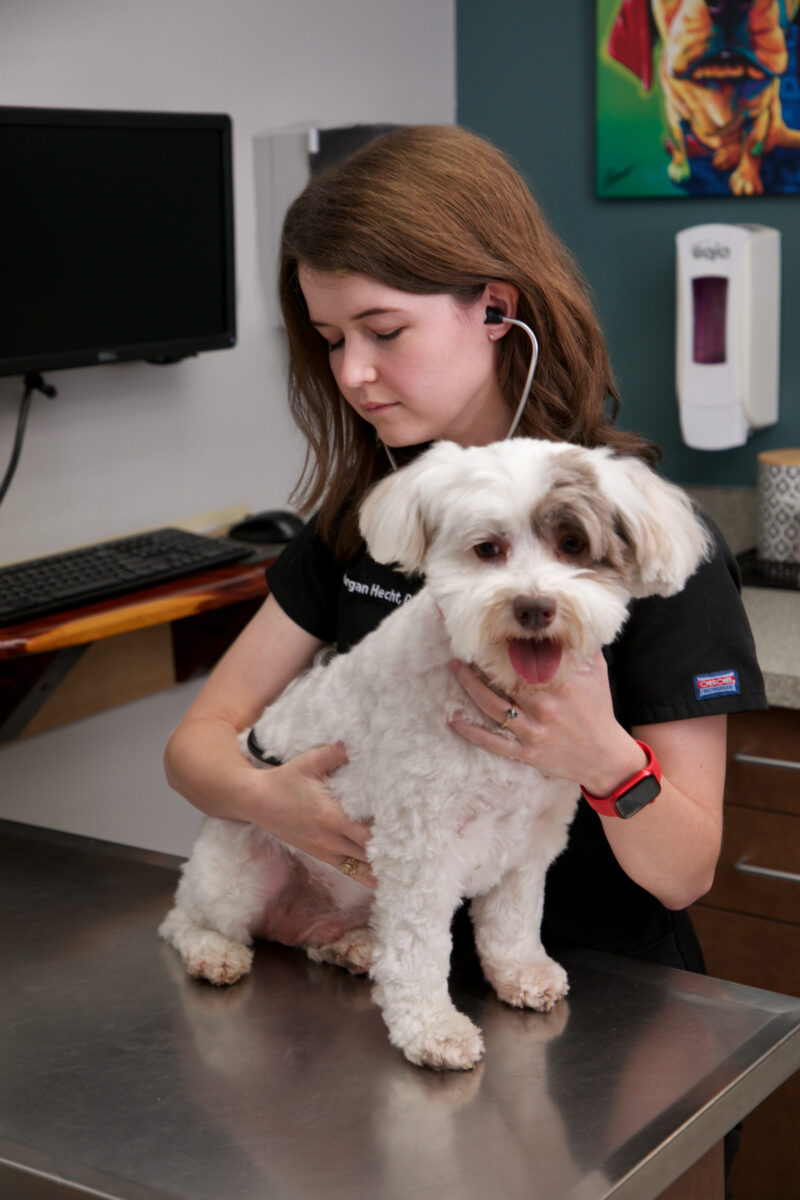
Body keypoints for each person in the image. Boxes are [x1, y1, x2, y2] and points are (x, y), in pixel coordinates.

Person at [163, 124, 766, 975]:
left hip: (596, 992)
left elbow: (683, 874)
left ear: (495, 308)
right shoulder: (372, 519)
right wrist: (272, 801)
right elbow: (196, 746)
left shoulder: (631, 534)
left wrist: (602, 757)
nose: (353, 375)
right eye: (333, 340)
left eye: (384, 331)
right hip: (383, 965)